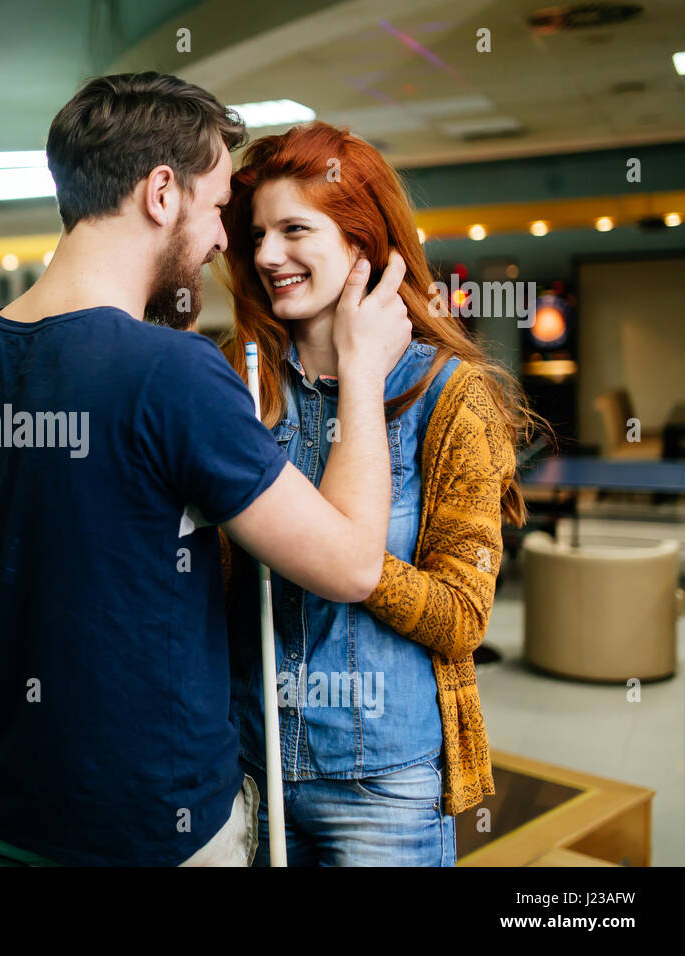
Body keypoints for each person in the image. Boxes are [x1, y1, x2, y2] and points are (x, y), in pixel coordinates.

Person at [0, 72, 413, 867]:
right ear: (160, 193)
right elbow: (354, 565)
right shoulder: (174, 372)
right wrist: (360, 374)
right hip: (151, 831)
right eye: (219, 207)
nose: (227, 240)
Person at [218, 121, 533, 866]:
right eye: (257, 233)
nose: (267, 255)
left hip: (382, 786)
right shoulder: (237, 382)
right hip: (245, 769)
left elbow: (462, 617)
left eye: (295, 229)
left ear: (362, 242)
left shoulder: (451, 398)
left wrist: (326, 549)